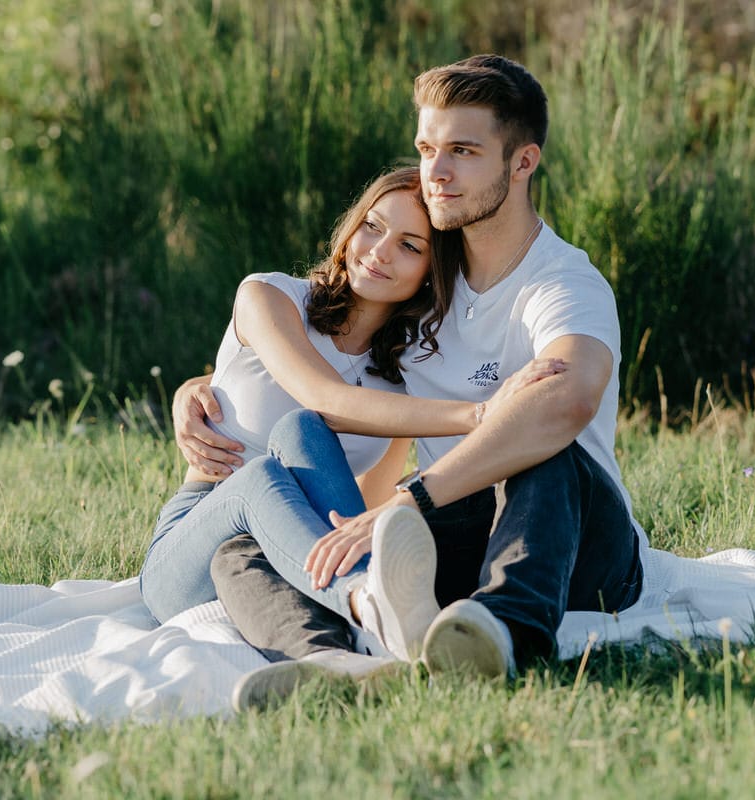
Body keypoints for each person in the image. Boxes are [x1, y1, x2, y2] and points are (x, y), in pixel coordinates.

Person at [174, 54, 647, 706]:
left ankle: (506, 635)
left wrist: (411, 500)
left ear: (522, 162)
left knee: (537, 443)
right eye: (428, 148)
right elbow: (319, 376)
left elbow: (567, 401)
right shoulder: (423, 297)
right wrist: (198, 386)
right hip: (453, 528)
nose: (438, 172)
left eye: (463, 151)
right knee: (242, 551)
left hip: (575, 550)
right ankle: (339, 665)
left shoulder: (561, 283)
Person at [139, 165, 563, 638]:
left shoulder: (404, 382)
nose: (379, 252)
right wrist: (480, 414)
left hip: (290, 557)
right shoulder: (269, 297)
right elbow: (324, 397)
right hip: (193, 548)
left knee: (301, 431)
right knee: (268, 465)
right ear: (352, 226)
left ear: (434, 270)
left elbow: (358, 507)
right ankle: (368, 600)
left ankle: (364, 608)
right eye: (372, 227)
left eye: (409, 246)